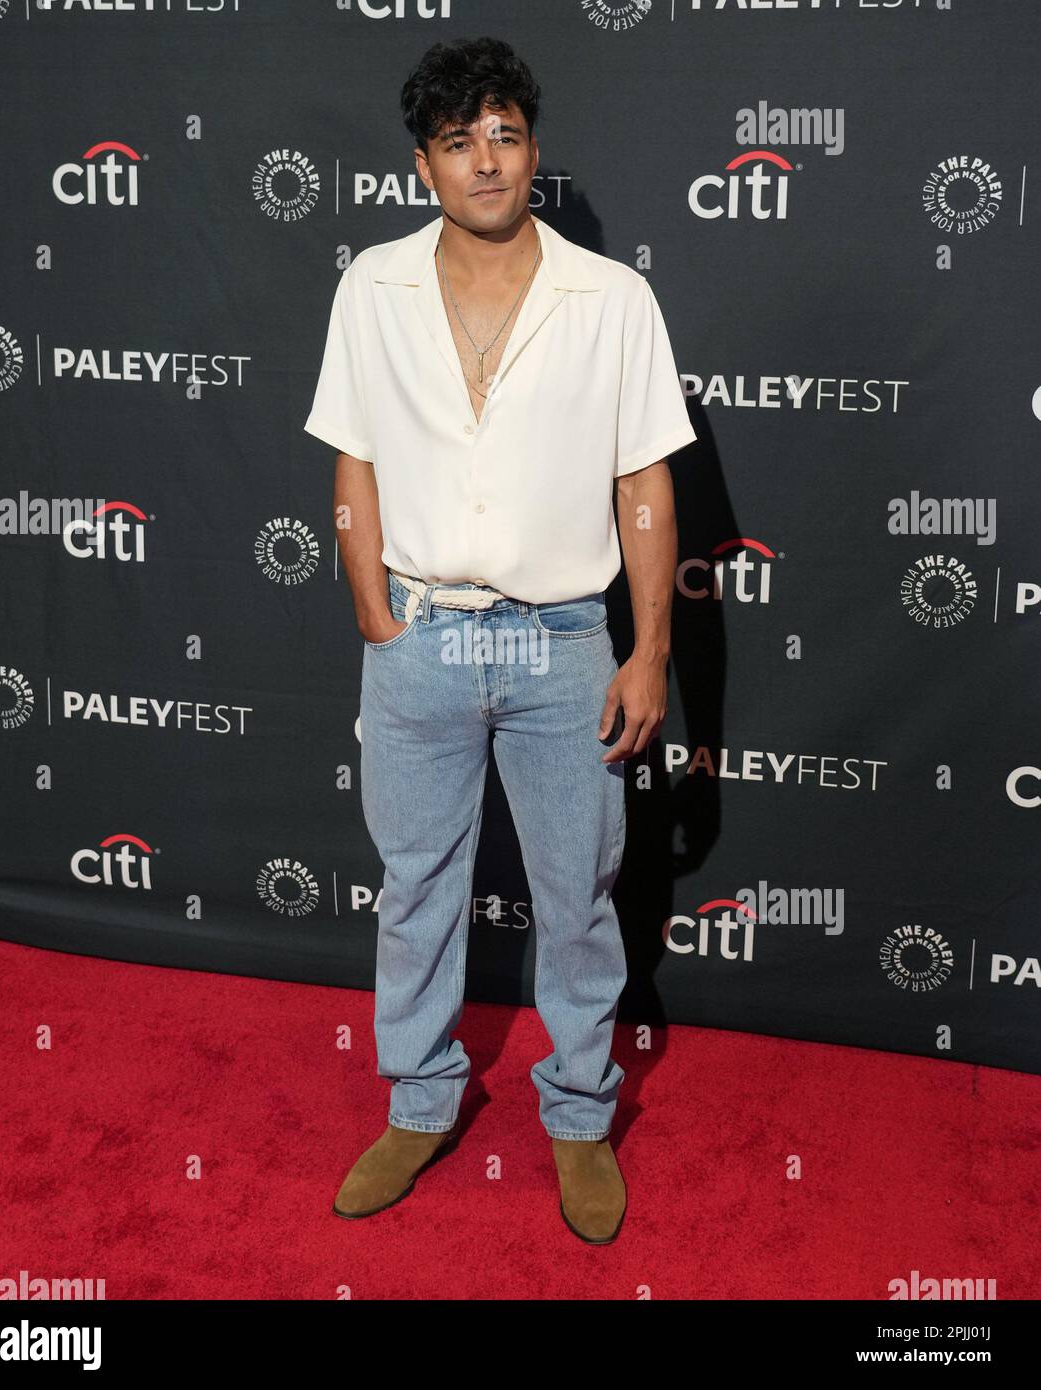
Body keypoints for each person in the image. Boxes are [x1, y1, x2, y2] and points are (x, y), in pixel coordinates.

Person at [303, 36, 696, 1245]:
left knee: (575, 897)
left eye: (505, 135)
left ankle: (577, 1116)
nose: (486, 161)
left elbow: (645, 483)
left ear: (533, 147)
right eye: (459, 141)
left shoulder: (611, 297)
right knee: (414, 889)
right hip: (417, 634)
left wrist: (647, 652)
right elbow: (352, 452)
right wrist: (370, 603)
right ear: (422, 163)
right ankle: (419, 1101)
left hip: (565, 636)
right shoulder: (369, 285)